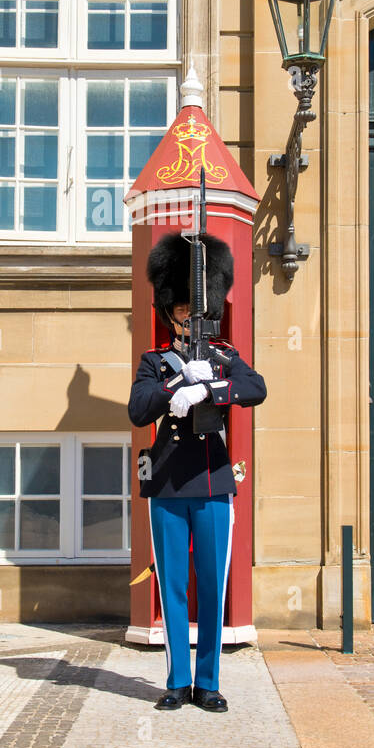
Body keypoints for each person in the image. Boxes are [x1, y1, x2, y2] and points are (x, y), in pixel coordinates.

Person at [128, 232, 267, 713]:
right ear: (171, 313)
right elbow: (138, 409)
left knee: (211, 587)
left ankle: (208, 681)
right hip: (168, 486)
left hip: (212, 485)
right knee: (173, 587)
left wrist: (212, 390)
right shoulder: (155, 361)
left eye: (196, 309)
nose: (189, 316)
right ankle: (176, 681)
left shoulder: (224, 356)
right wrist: (175, 388)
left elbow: (255, 388)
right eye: (182, 309)